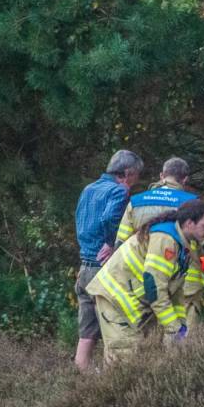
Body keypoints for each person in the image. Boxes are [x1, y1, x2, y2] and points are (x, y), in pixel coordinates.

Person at [85, 200, 204, 365]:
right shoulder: (166, 240)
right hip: (115, 298)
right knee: (124, 358)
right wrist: (173, 327)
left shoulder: (181, 244)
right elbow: (154, 287)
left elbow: (175, 293)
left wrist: (181, 324)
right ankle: (104, 390)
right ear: (190, 223)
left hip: (130, 300)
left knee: (142, 356)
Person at [114, 157, 204, 327]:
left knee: (145, 343)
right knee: (180, 339)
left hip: (142, 285)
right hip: (185, 283)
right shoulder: (194, 204)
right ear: (185, 179)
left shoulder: (136, 202)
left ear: (162, 175)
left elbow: (120, 245)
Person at [73, 149, 144, 371]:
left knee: (86, 335)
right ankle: (110, 387)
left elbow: (80, 220)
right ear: (128, 173)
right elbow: (109, 217)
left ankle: (80, 380)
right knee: (114, 331)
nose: (136, 181)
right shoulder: (119, 191)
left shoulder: (89, 189)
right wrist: (112, 244)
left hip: (84, 268)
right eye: (136, 176)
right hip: (103, 272)